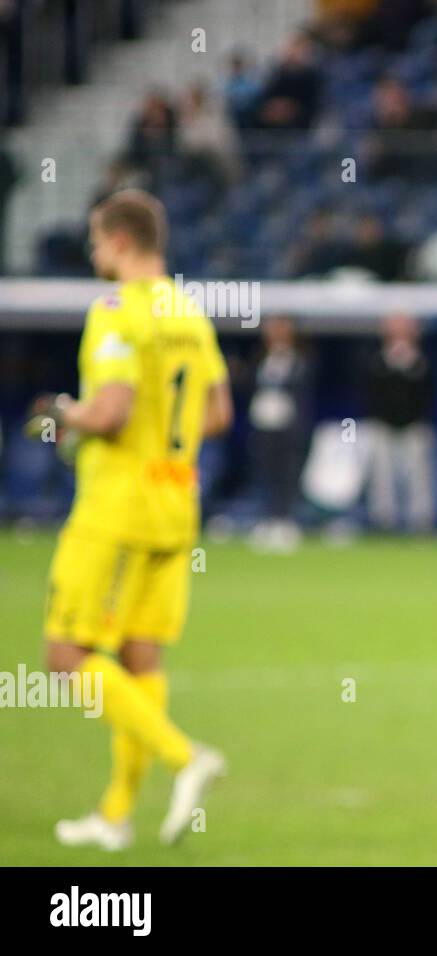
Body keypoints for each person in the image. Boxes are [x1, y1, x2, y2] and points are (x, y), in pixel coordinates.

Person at [26, 189, 231, 850]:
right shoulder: (187, 310)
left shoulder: (115, 310)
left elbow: (110, 411)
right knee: (141, 656)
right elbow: (219, 413)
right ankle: (115, 816)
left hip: (115, 509)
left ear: (118, 241)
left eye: (95, 240)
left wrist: (61, 411)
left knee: (65, 656)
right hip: (176, 506)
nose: (93, 254)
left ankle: (185, 758)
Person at [363, 313, 436, 533]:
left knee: (419, 475)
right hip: (383, 426)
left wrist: (408, 365)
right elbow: (371, 393)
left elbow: (428, 395)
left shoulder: (420, 363)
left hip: (414, 426)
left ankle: (420, 521)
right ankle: (383, 520)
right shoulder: (378, 362)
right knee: (382, 476)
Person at [248, 315, 313, 551]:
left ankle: (287, 520)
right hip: (264, 425)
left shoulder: (300, 359)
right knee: (266, 471)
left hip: (289, 427)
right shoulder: (259, 358)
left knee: (287, 474)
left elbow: (303, 393)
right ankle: (267, 518)